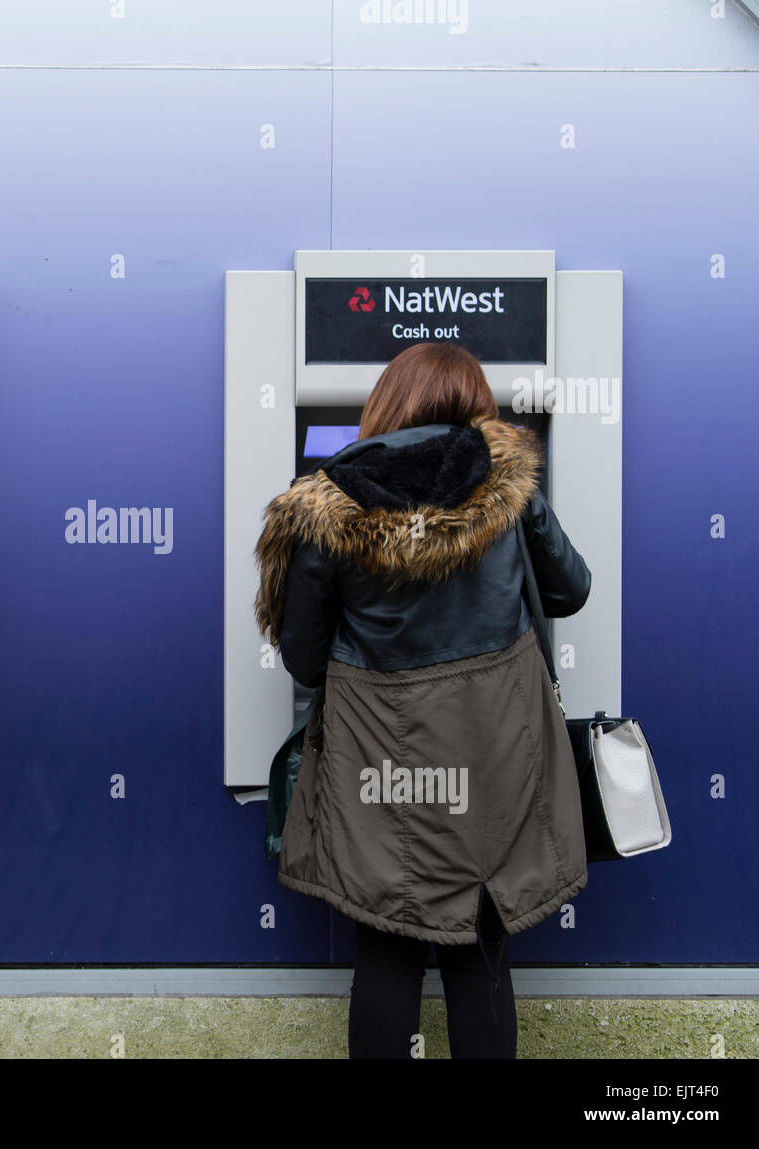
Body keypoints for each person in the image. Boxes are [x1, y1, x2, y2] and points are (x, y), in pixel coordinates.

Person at [254, 341, 590, 1059]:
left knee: (385, 944)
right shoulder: (509, 486)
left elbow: (306, 660)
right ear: (476, 406)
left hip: (380, 765)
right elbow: (571, 588)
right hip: (496, 754)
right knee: (481, 945)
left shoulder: (326, 501)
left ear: (386, 403)